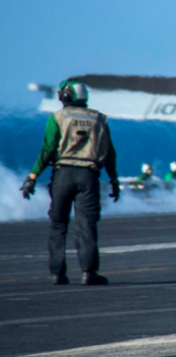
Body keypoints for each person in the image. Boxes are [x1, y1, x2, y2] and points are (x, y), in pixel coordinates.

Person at [19, 80, 120, 286]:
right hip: (89, 176)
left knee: (58, 224)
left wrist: (33, 176)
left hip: (63, 174)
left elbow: (47, 150)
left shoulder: (57, 117)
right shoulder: (99, 118)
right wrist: (114, 179)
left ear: (65, 96)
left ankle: (58, 274)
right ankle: (89, 273)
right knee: (86, 225)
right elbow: (109, 152)